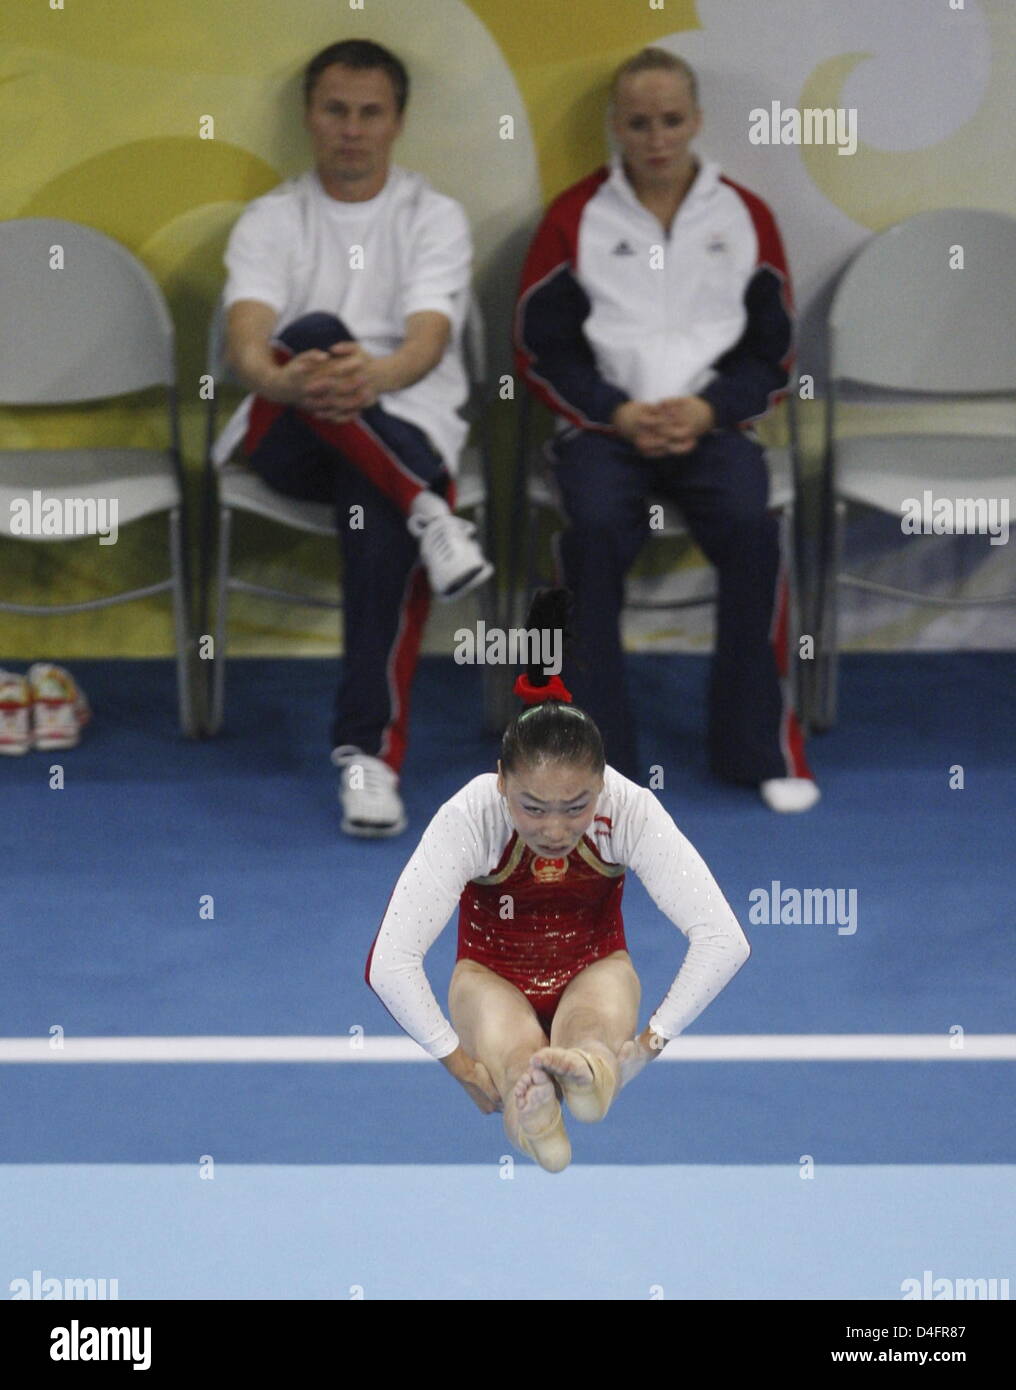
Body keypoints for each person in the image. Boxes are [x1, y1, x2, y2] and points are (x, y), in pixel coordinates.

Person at [514, 46, 818, 813]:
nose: (656, 137)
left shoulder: (745, 216)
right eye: (640, 122)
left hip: (711, 428)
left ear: (697, 121)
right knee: (591, 534)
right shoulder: (573, 217)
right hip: (603, 430)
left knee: (754, 529)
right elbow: (537, 346)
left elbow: (773, 348)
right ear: (616, 125)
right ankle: (595, 768)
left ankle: (762, 751)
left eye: (672, 120)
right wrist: (613, 409)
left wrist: (710, 408)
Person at [365, 590, 750, 1173]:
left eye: (576, 806)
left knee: (591, 1030)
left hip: (594, 967)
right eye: (533, 808)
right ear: (500, 784)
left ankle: (588, 1074)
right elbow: (390, 961)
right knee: (515, 1055)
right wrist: (461, 1066)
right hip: (489, 976)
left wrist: (647, 1046)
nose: (555, 828)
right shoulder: (472, 815)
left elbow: (724, 940)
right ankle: (540, 1109)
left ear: (602, 785)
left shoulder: (629, 809)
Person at [215, 39, 492, 837]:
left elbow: (429, 340)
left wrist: (370, 379)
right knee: (311, 328)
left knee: (376, 526)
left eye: (370, 112)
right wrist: (289, 378)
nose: (351, 129)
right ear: (310, 115)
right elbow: (248, 338)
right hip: (288, 429)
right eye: (335, 110)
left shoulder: (431, 215)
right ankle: (431, 513)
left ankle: (367, 760)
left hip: (405, 420)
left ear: (397, 122)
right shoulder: (273, 218)